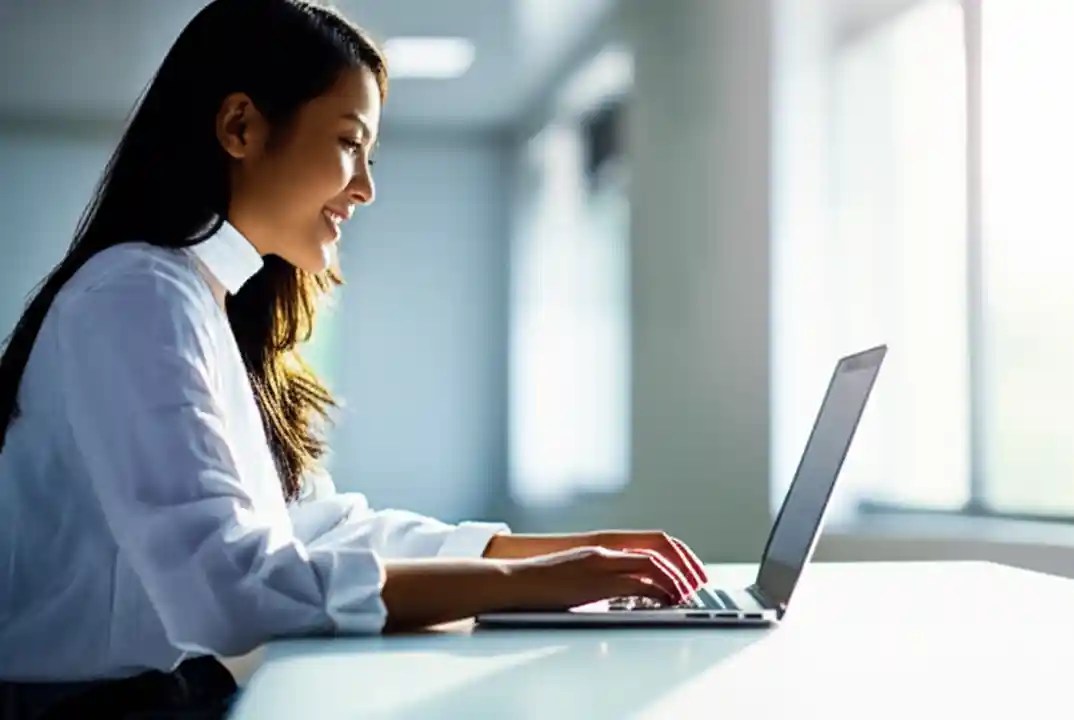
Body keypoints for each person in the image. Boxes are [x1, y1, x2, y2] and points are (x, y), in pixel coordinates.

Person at [0, 1, 706, 716]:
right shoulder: (138, 295)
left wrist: (572, 557)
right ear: (239, 127)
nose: (365, 186)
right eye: (349, 142)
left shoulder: (199, 300)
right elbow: (228, 592)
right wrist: (531, 585)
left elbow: (322, 528)